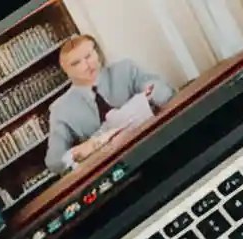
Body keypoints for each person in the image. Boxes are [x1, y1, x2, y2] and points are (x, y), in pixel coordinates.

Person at [44, 35, 175, 174]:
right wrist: (78, 152)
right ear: (66, 70)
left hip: (154, 143)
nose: (86, 65)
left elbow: (164, 92)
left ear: (97, 52)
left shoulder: (125, 69)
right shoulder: (61, 109)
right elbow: (53, 161)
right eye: (76, 63)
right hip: (113, 170)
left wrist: (152, 95)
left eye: (88, 56)